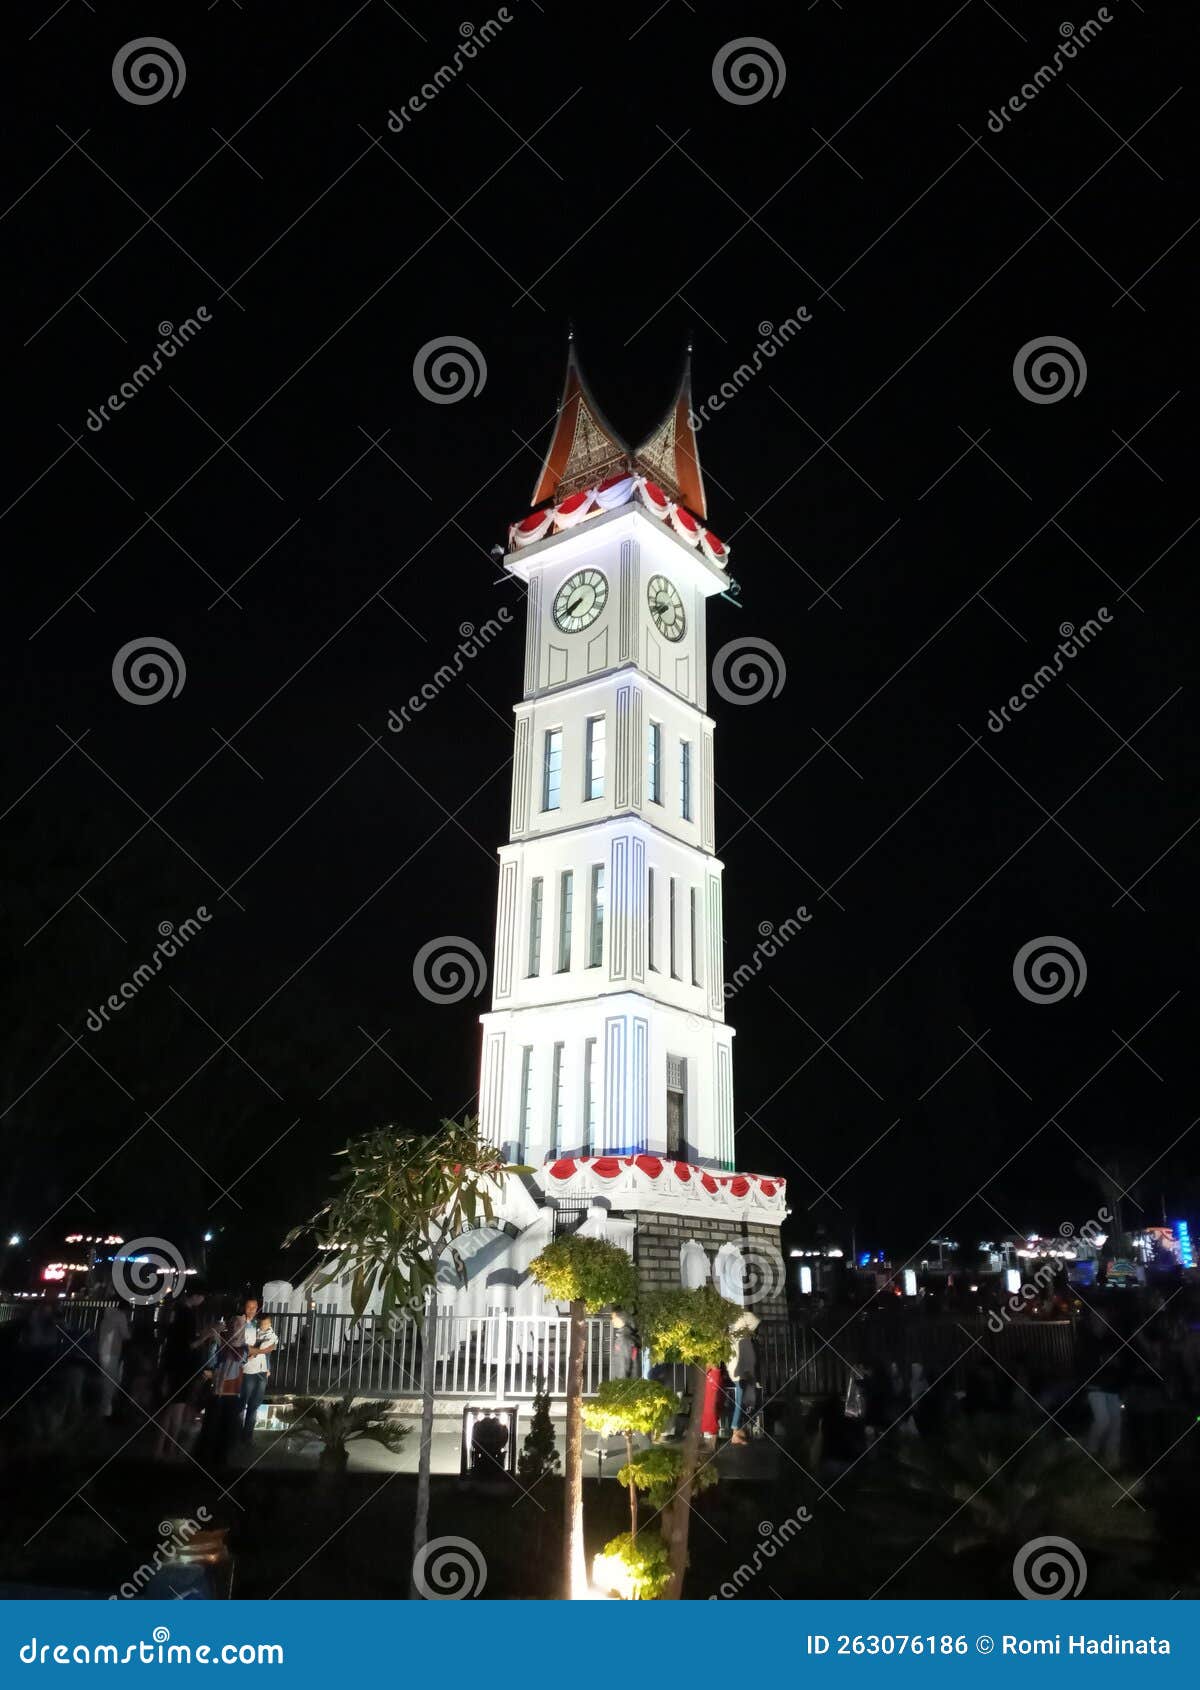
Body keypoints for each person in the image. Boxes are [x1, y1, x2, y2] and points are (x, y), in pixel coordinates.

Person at [239, 1305, 277, 1444]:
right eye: (263, 1323)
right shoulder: (252, 1331)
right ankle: (237, 1432)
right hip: (249, 1370)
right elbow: (250, 1349)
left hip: (262, 1371)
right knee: (243, 1402)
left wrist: (258, 1353)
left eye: (268, 1323)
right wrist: (256, 1351)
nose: (266, 1325)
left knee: (254, 1404)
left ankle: (247, 1435)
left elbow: (268, 1351)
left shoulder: (272, 1335)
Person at [727, 1312, 760, 1445]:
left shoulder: (733, 1332)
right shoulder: (741, 1335)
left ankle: (737, 1429)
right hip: (739, 1370)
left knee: (741, 1399)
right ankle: (735, 1431)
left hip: (737, 1369)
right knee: (740, 1400)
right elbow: (755, 1321)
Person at [96, 1303, 131, 1419]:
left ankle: (105, 1410)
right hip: (112, 1352)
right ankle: (105, 1412)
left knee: (107, 1381)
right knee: (110, 1383)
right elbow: (126, 1335)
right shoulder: (120, 1316)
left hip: (103, 1350)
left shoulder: (107, 1315)